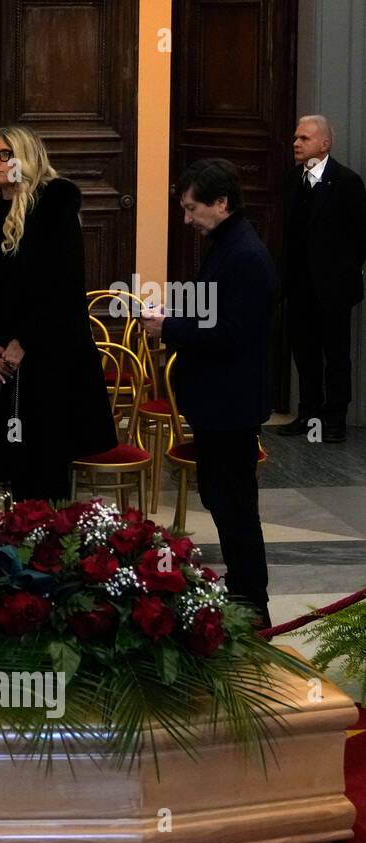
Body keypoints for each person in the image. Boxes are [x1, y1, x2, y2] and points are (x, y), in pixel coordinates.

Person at [141, 159, 277, 628]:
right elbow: (213, 310)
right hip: (218, 403)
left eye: (191, 207)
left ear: (221, 204)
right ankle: (242, 595)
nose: (186, 218)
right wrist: (174, 314)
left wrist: (169, 326)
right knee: (223, 501)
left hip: (231, 406)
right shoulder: (226, 244)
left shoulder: (244, 255)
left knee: (236, 506)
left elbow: (233, 334)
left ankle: (251, 605)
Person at [0, 125, 115, 501]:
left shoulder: (52, 206)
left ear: (25, 160)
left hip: (47, 357)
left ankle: (45, 547)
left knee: (44, 462)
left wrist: (23, 341)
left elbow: (63, 285)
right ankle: (15, 546)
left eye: (5, 155)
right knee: (8, 462)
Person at [275, 115, 366, 443]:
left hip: (333, 289)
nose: (296, 144)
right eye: (296, 138)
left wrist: (340, 272)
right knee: (305, 354)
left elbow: (360, 237)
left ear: (324, 144)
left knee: (336, 355)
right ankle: (308, 414)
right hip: (299, 287)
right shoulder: (291, 180)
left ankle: (335, 419)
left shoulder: (347, 182)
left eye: (304, 139)